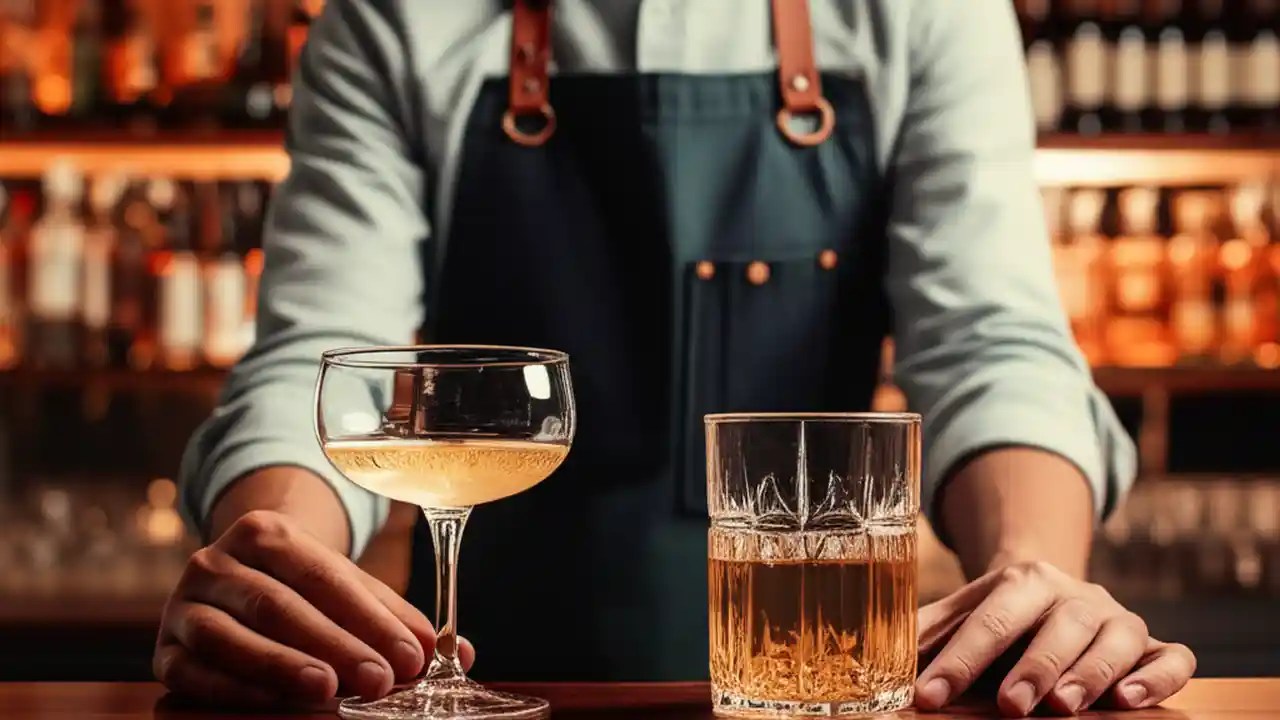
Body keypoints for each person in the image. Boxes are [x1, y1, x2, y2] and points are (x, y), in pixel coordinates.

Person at [159, 0, 1195, 716]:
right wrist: (279, 572)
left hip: (822, 707)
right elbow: (323, 362)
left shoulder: (925, 11)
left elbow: (990, 342)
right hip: (490, 697)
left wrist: (1034, 573)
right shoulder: (393, 19)